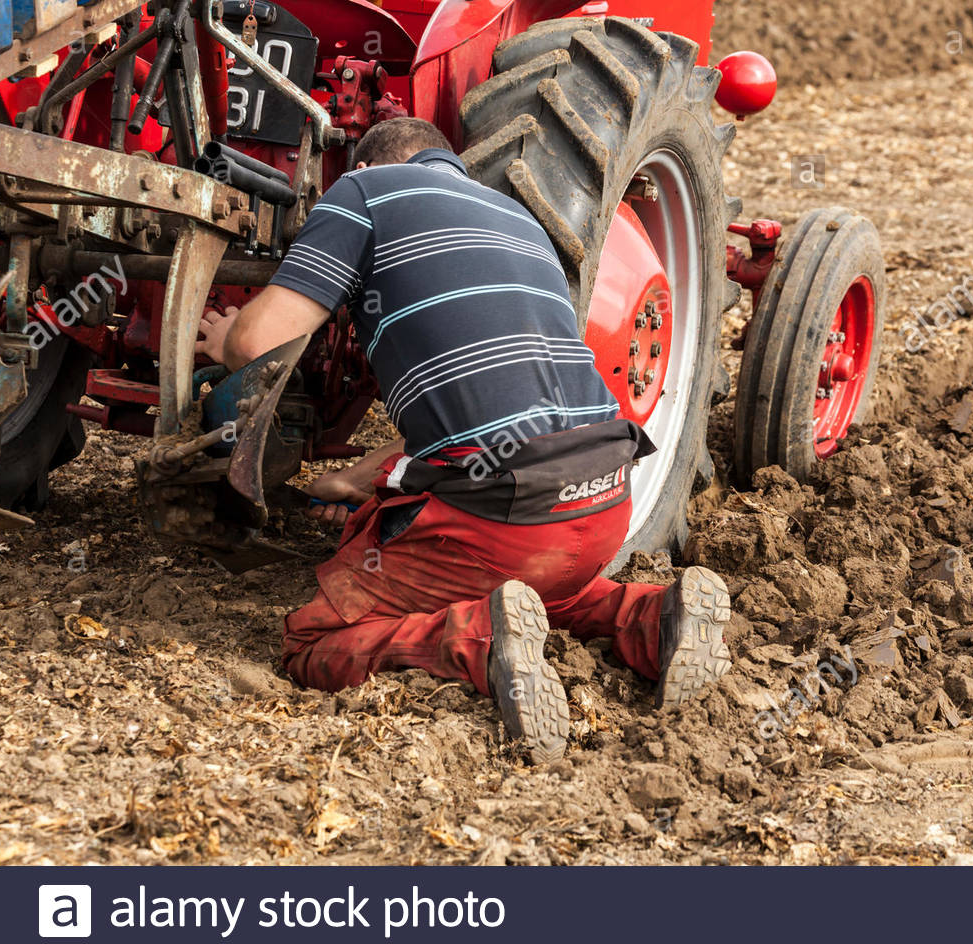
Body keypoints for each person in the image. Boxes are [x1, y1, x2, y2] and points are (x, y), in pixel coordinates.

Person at [196, 117, 731, 763]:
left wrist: (223, 338)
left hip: (503, 518)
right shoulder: (520, 218)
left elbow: (260, 345)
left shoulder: (366, 192)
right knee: (542, 585)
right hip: (602, 503)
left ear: (363, 169)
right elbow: (501, 416)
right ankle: (648, 617)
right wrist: (350, 483)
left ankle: (478, 641)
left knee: (313, 642)